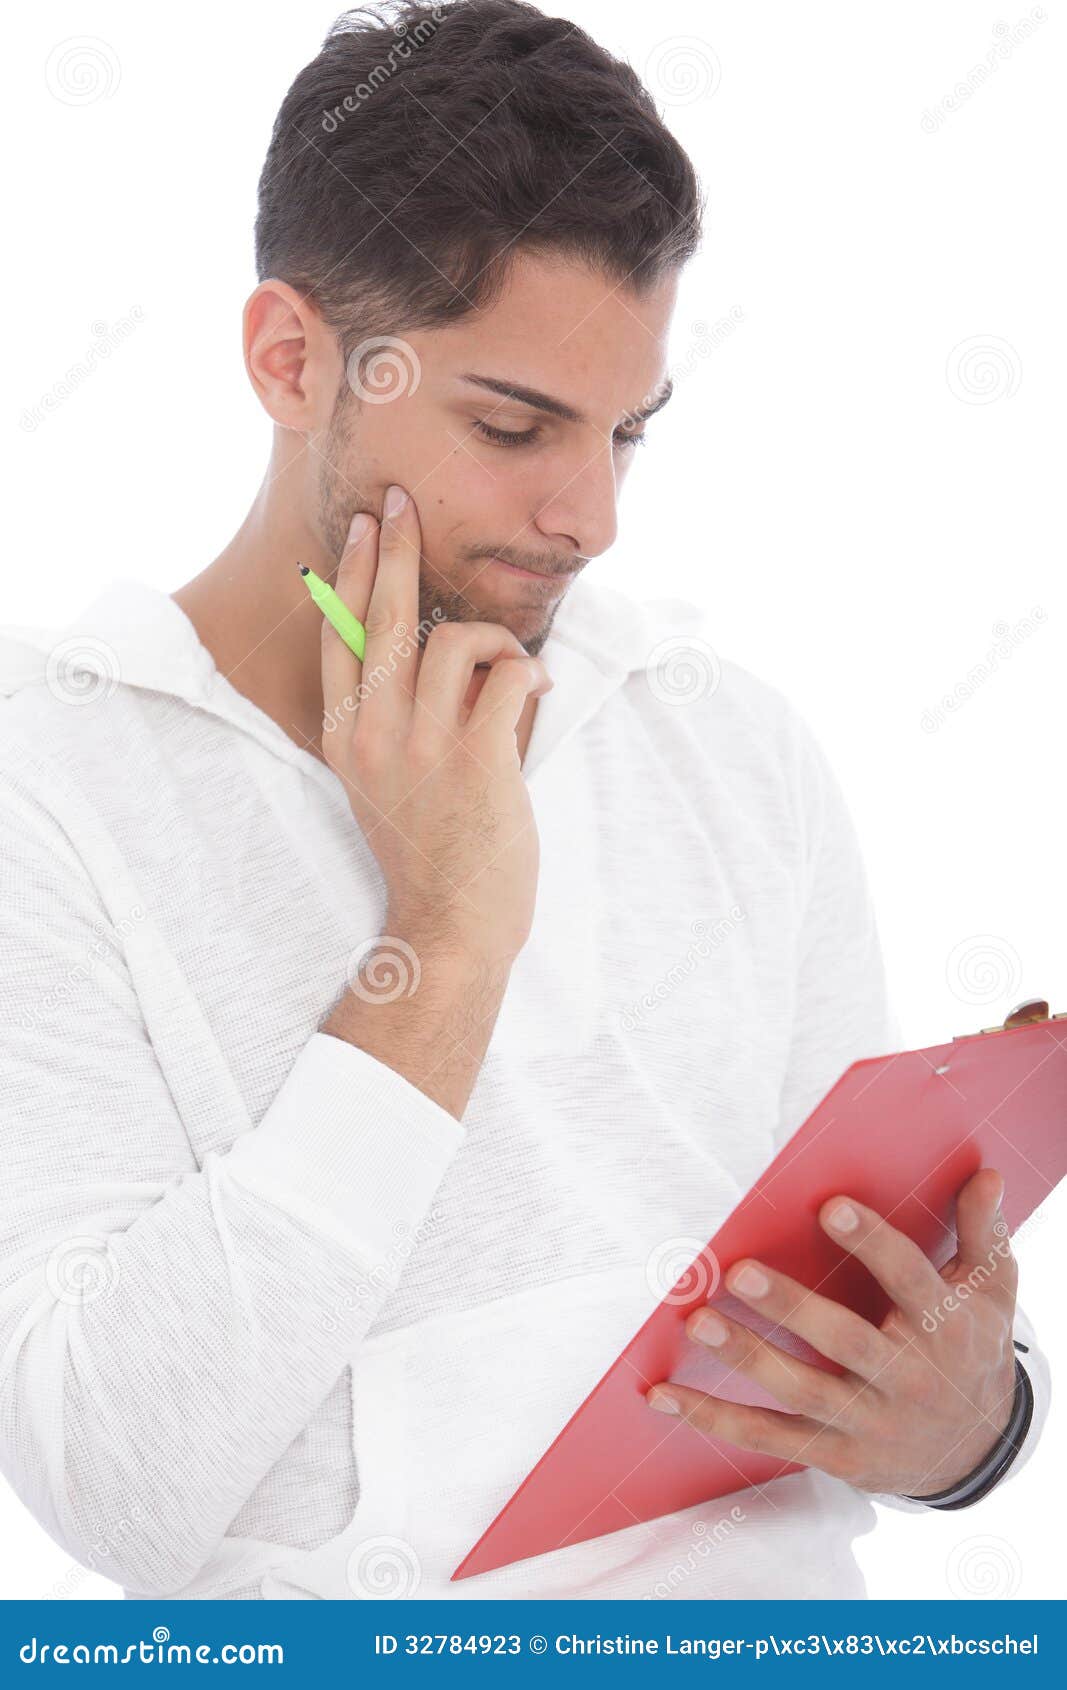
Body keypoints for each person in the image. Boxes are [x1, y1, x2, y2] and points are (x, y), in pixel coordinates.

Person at [0, 0, 1048, 1602]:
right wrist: (451, 930)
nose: (594, 517)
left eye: (628, 432)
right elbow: (117, 1483)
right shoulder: (52, 786)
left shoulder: (727, 747)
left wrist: (977, 1426)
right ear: (293, 359)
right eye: (513, 427)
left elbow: (890, 1326)